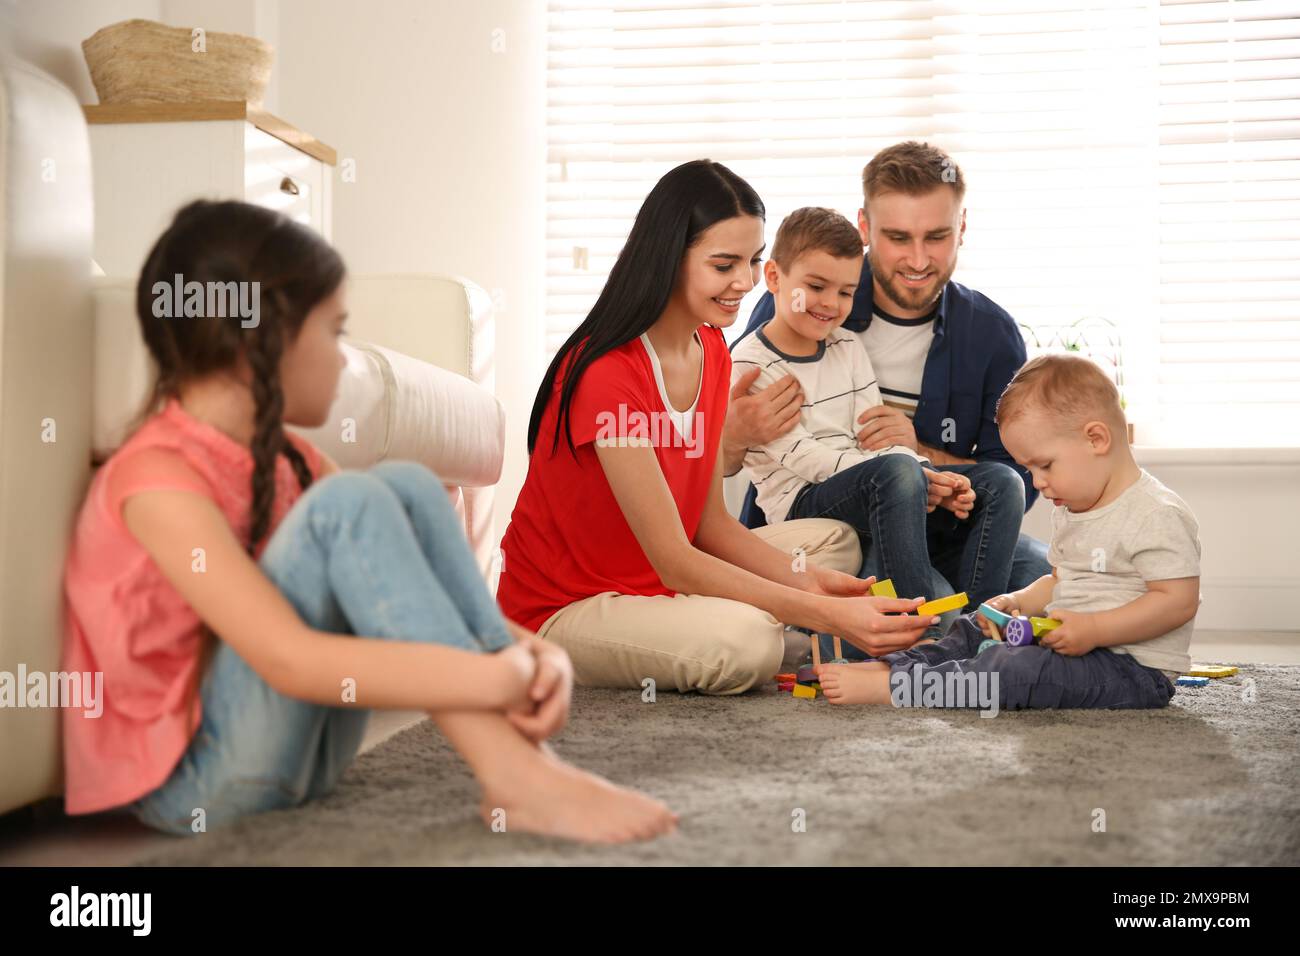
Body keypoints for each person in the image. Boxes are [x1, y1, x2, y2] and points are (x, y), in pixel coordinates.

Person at [62, 200, 676, 843]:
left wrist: (530, 649)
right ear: (260, 347)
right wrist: (490, 676)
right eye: (334, 333)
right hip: (197, 782)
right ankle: (519, 777)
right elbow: (288, 659)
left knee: (407, 485)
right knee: (346, 506)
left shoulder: (287, 456)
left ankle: (522, 762)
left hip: (300, 752)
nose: (347, 359)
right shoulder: (157, 478)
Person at [497, 161, 935, 696]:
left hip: (660, 583)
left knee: (832, 545)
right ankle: (777, 628)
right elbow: (676, 559)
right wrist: (822, 612)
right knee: (745, 644)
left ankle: (776, 619)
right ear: (668, 257)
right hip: (572, 606)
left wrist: (810, 584)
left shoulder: (711, 352)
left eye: (752, 261)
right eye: (724, 264)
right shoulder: (605, 374)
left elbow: (708, 525)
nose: (746, 283)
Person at [725, 141, 1051, 594]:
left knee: (1041, 570)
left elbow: (1023, 477)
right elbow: (724, 450)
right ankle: (930, 626)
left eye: (936, 237)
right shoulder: (797, 304)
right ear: (865, 228)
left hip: (937, 518)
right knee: (926, 591)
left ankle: (972, 635)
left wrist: (925, 457)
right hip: (834, 520)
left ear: (962, 228)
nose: (918, 260)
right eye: (898, 238)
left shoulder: (991, 334)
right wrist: (732, 433)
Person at [815, 354, 1200, 710]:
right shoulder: (1076, 507)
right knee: (971, 628)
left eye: (1045, 465)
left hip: (1131, 671)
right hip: (1073, 649)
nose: (1038, 482)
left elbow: (1177, 601)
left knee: (1012, 668)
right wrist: (1014, 602)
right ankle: (899, 667)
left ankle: (904, 689)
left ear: (1096, 438)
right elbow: (1058, 581)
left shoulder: (1155, 513)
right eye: (1029, 469)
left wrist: (1096, 629)